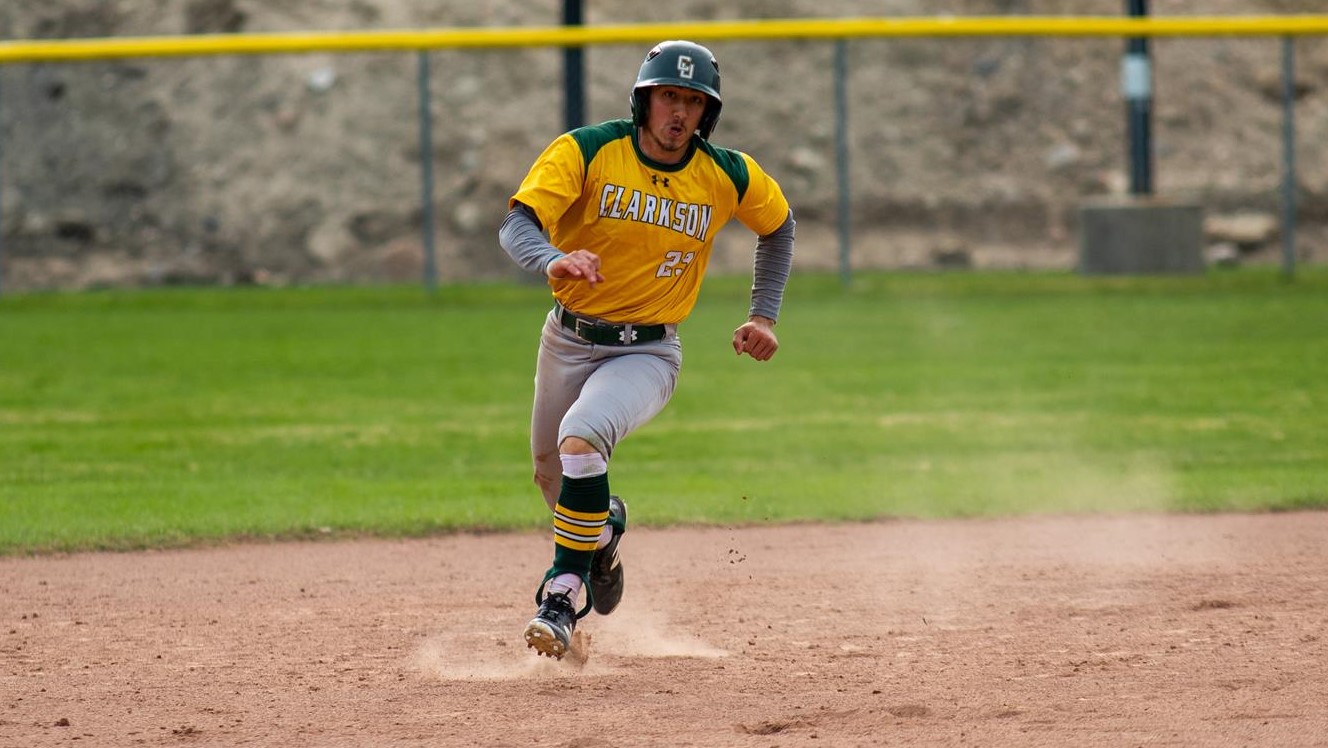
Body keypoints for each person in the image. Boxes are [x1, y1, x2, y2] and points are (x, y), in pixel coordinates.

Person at [498, 39, 796, 660]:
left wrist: (764, 314)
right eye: (668, 97)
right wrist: (555, 257)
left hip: (648, 352)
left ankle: (560, 596)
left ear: (706, 113)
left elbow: (779, 225)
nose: (678, 113)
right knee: (554, 478)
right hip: (568, 338)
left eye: (692, 101)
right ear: (643, 99)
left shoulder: (726, 173)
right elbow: (517, 224)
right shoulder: (587, 150)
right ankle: (603, 533)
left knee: (581, 439)